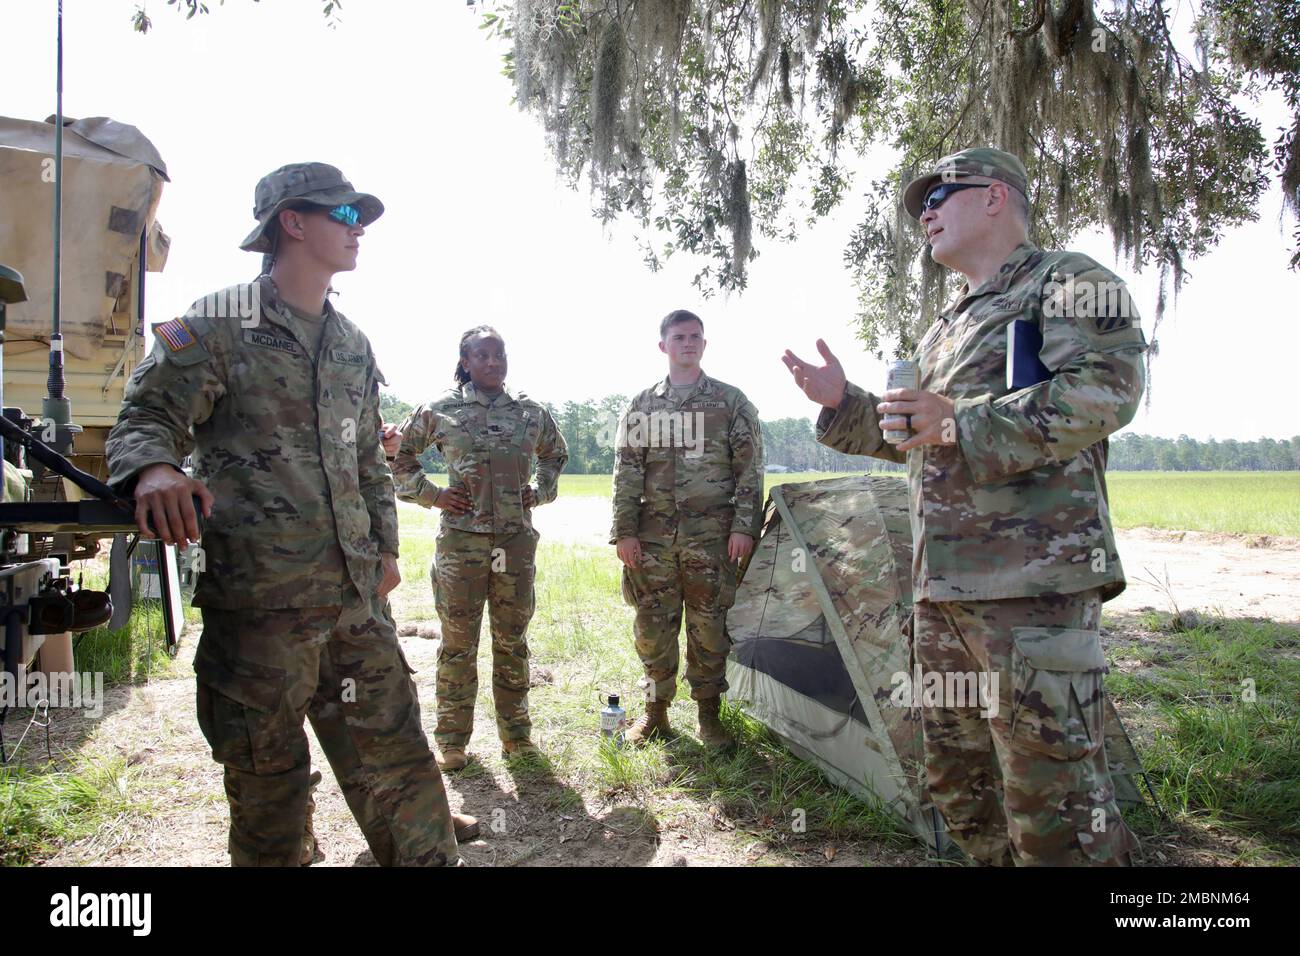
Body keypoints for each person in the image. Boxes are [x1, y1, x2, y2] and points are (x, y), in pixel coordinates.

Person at [783, 147, 1145, 866]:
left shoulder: (1068, 281)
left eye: (941, 194)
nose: (926, 212)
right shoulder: (943, 326)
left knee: (1057, 799)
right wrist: (848, 406)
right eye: (922, 203)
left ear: (995, 198)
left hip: (1032, 587)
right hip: (942, 591)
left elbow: (1109, 388)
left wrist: (959, 420)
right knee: (962, 784)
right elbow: (922, 440)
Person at [105, 162, 474, 867]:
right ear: (292, 223)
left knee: (400, 768)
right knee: (269, 794)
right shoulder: (216, 324)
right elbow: (147, 416)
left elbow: (369, 460)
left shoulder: (350, 343)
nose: (356, 226)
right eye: (341, 214)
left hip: (355, 605)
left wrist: (385, 552)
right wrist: (155, 469)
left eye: (358, 215)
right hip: (261, 611)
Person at [391, 326, 568, 771]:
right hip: (461, 545)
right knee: (458, 644)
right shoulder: (441, 409)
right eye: (482, 355)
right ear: (466, 362)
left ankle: (516, 736)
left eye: (499, 354)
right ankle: (452, 740)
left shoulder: (530, 412)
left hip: (515, 543)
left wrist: (540, 491)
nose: (493, 362)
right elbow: (401, 461)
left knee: (512, 641)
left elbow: (555, 454)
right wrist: (434, 495)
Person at [612, 309, 764, 749]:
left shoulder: (731, 402)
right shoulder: (642, 405)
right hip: (653, 541)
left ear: (704, 343)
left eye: (696, 336)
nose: (688, 343)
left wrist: (744, 527)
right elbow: (626, 472)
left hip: (712, 538)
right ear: (664, 346)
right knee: (653, 627)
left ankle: (708, 718)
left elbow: (749, 471)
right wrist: (624, 532)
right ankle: (656, 714)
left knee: (708, 627)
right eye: (679, 337)